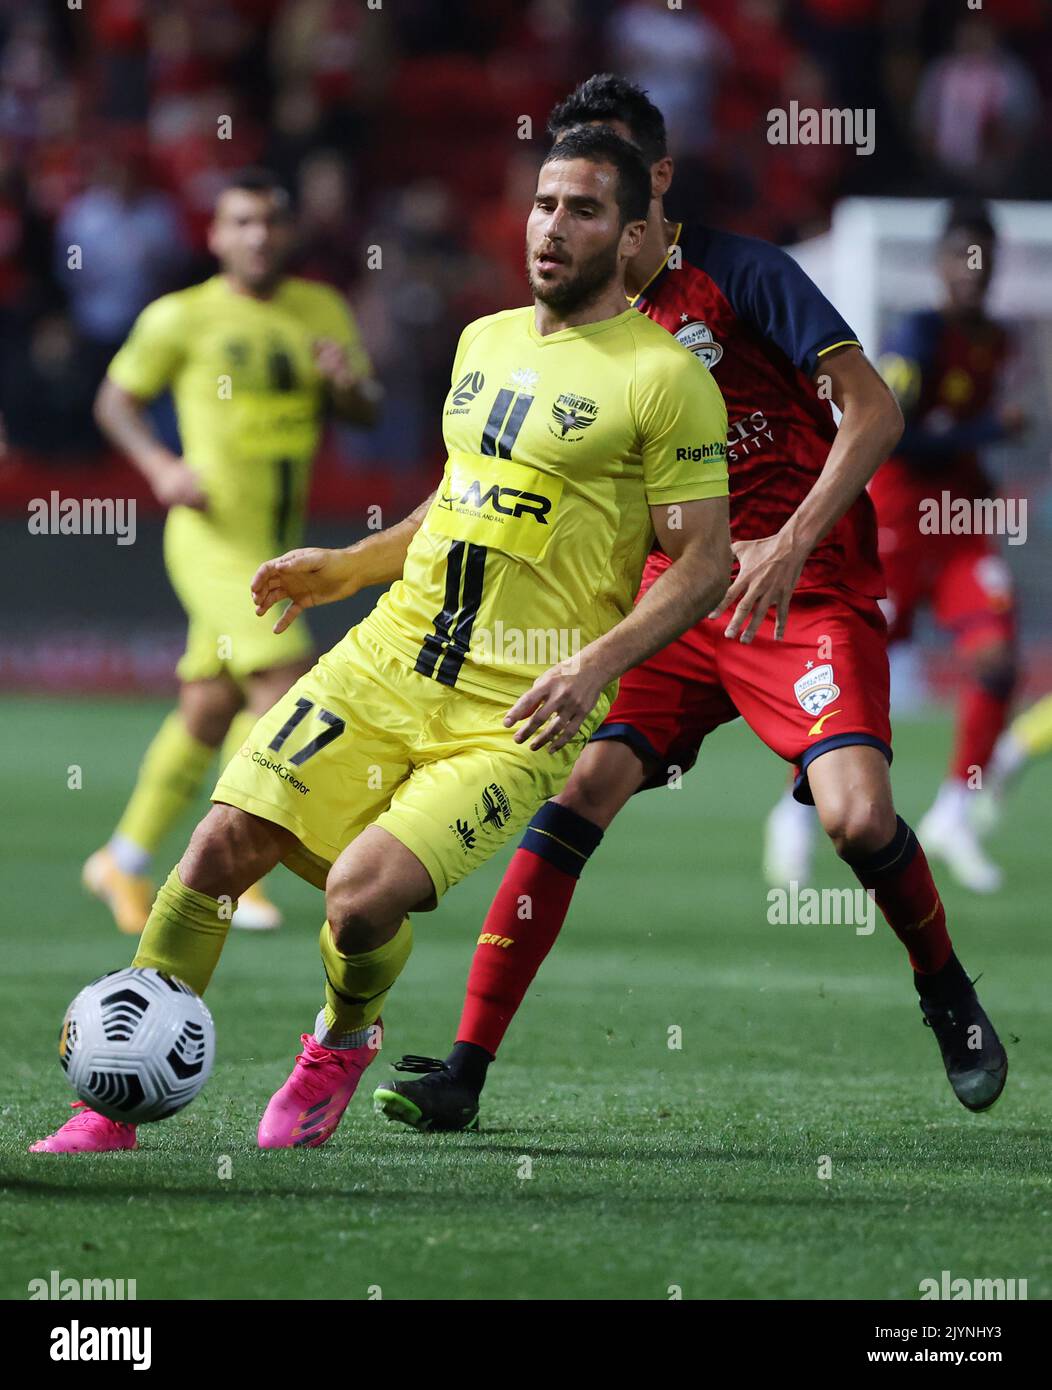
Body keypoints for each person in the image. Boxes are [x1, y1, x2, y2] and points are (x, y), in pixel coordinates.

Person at [31, 126, 732, 1155]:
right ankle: (109, 1105)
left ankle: (342, 1038)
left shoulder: (664, 379)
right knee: (222, 840)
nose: (552, 226)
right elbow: (457, 500)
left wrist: (597, 663)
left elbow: (704, 560)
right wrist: (347, 566)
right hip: (386, 658)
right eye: (543, 203)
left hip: (514, 711)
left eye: (583, 210)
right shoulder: (483, 340)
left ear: (632, 237)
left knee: (359, 903)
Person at [367, 75, 1008, 1135]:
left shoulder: (745, 274)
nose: (577, 212)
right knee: (576, 791)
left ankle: (944, 990)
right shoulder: (576, 320)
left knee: (853, 818)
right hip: (674, 600)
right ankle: (466, 1071)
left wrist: (789, 541)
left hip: (798, 593)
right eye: (560, 196)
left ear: (652, 184)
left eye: (600, 189)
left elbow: (875, 411)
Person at [83, 168, 380, 936]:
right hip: (214, 541)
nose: (258, 235)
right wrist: (160, 467)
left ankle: (123, 856)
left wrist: (345, 385)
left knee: (209, 708)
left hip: (281, 541)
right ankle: (238, 869)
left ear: (289, 233)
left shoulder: (320, 308)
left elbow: (365, 407)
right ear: (215, 235)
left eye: (272, 222)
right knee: (283, 683)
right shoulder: (180, 317)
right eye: (241, 222)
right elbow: (115, 400)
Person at [768, 200, 1027, 894]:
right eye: (961, 259)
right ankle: (795, 812)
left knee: (999, 662)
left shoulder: (998, 342)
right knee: (850, 673)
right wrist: (987, 433)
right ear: (943, 266)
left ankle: (957, 808)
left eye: (984, 261)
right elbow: (897, 429)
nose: (972, 276)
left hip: (963, 529)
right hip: (898, 526)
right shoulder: (916, 335)